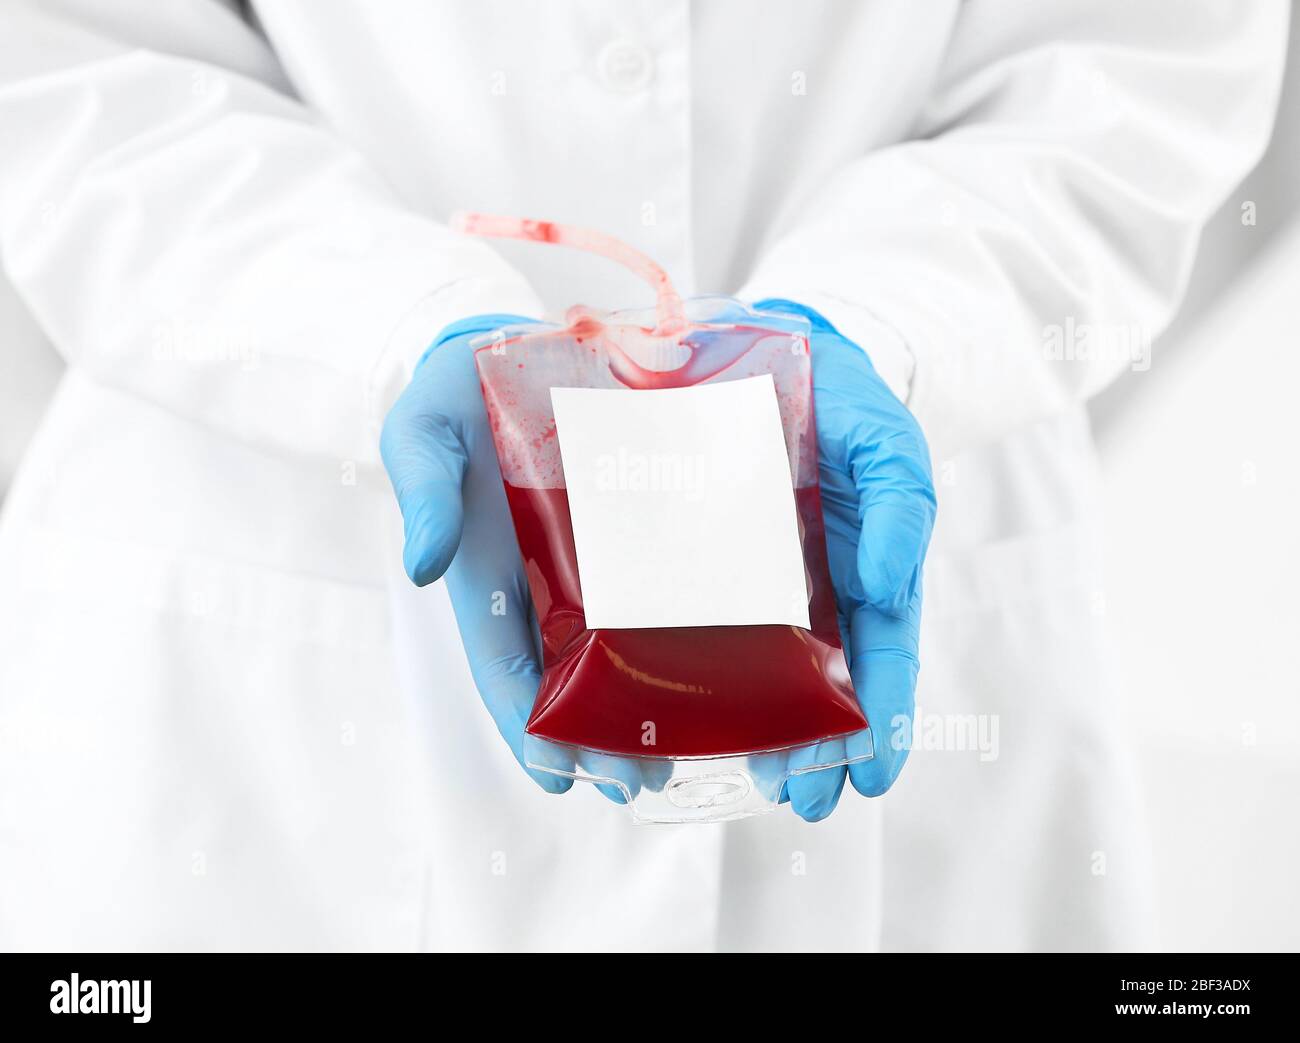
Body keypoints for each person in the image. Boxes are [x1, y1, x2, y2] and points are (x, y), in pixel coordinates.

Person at [0, 0, 1286, 952]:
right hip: (265, 660)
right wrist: (403, 328)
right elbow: (65, 65)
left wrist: (858, 321)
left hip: (914, 509)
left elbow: (1135, 63)